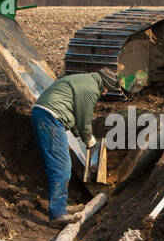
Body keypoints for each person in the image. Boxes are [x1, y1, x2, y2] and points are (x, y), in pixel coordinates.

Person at [31, 67, 119, 225]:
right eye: (107, 91)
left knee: (53, 165)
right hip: (52, 117)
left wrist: (79, 135)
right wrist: (90, 140)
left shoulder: (84, 79)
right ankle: (58, 214)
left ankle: (60, 205)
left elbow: (75, 115)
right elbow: (84, 120)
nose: (105, 94)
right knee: (62, 167)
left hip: (42, 113)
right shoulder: (91, 90)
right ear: (104, 86)